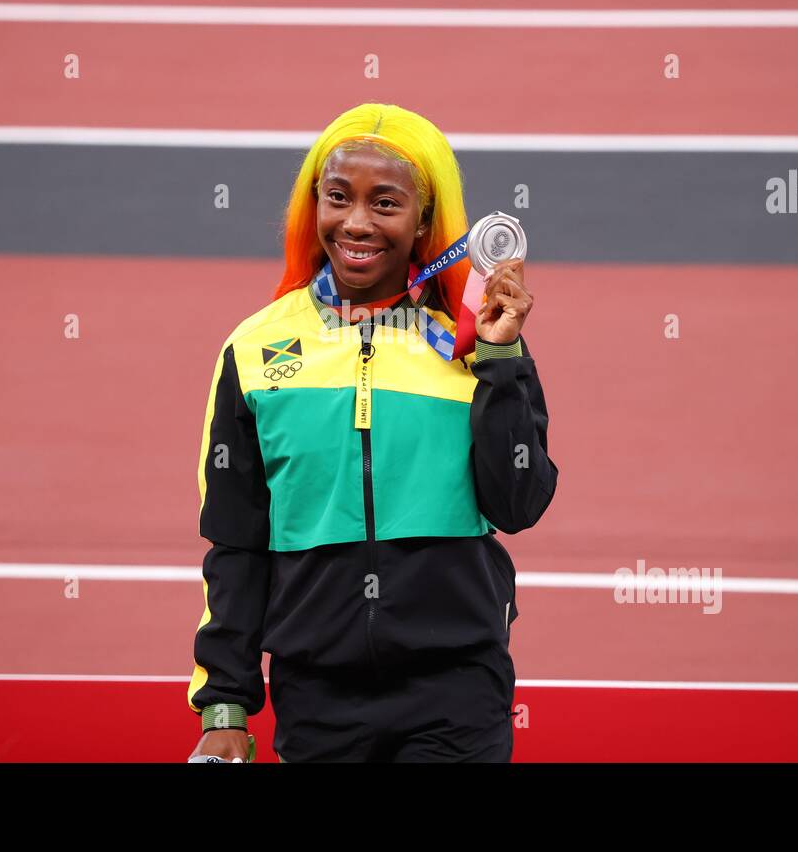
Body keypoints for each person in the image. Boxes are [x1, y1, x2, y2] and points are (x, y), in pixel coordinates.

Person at [185, 102, 557, 762]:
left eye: (385, 203)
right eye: (337, 198)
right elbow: (237, 541)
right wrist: (226, 702)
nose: (356, 222)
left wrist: (501, 360)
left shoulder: (475, 341)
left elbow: (518, 504)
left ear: (424, 223)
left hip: (456, 691)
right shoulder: (254, 349)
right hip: (317, 695)